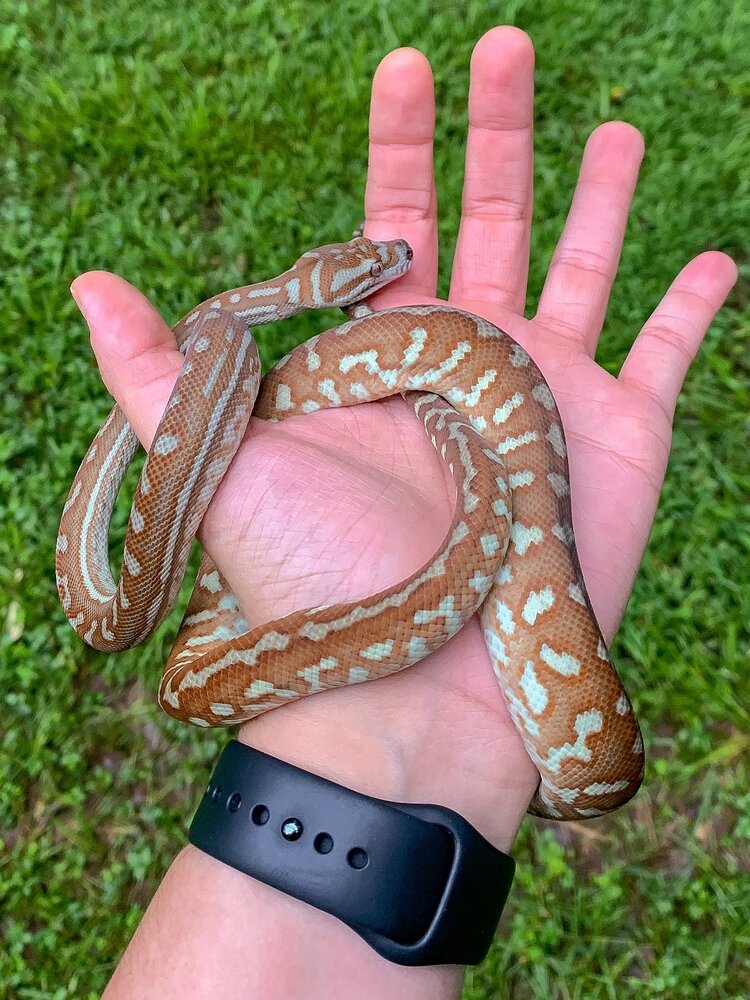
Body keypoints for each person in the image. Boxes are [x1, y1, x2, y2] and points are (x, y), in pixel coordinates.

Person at [71, 26, 736, 1000]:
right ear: (319, 282)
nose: (386, 264)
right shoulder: (237, 350)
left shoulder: (244, 344)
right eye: (365, 269)